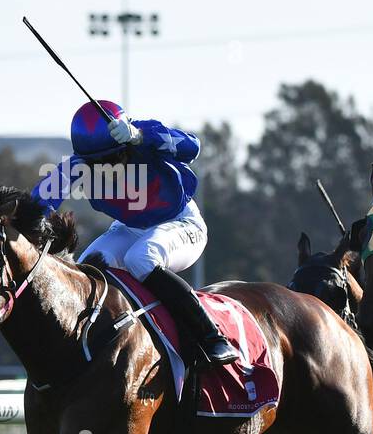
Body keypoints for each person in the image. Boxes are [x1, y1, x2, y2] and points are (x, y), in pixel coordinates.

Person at [32, 100, 236, 365]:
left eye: (115, 158)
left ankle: (212, 337)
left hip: (180, 223)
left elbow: (191, 146)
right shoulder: (79, 165)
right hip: (128, 228)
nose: (109, 168)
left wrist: (140, 136)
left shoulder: (141, 134)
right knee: (88, 268)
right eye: (98, 163)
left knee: (141, 258)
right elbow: (38, 202)